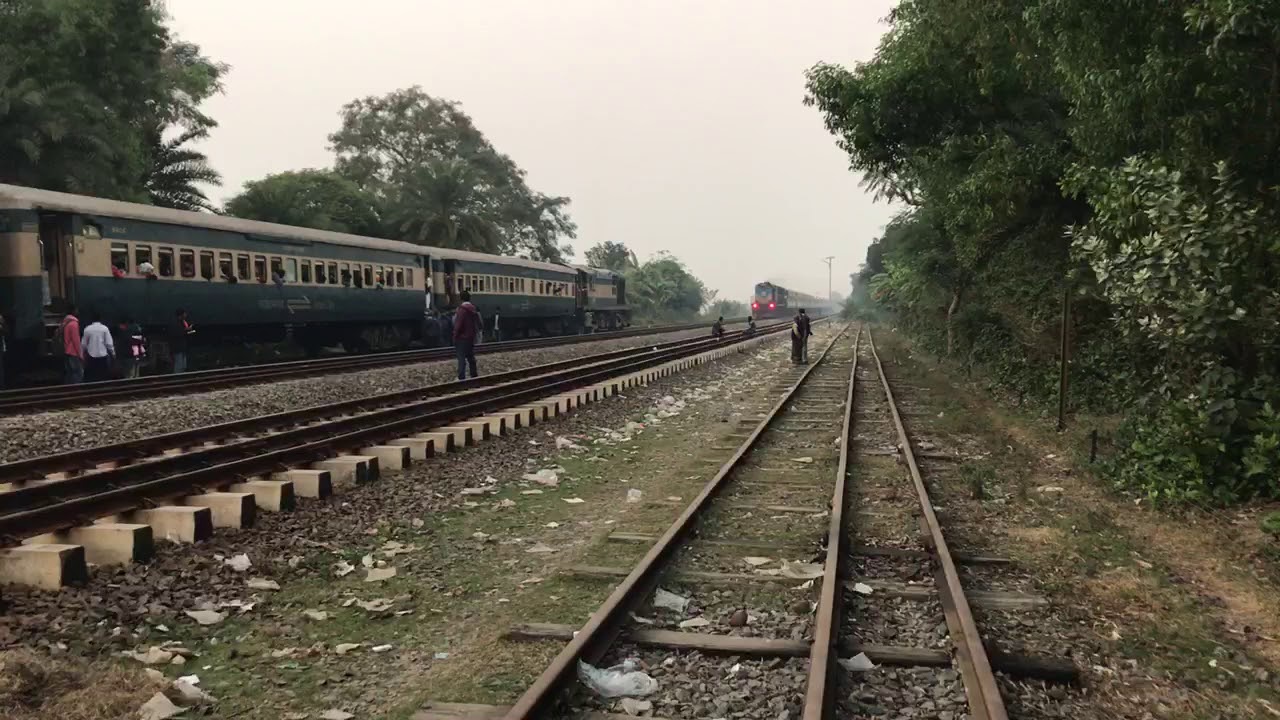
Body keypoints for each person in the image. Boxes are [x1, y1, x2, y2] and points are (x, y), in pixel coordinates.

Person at [452, 291, 481, 380]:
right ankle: (474, 375)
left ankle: (461, 377)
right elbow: (479, 324)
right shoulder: (473, 309)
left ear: (461, 298)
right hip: (471, 338)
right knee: (471, 357)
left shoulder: (462, 310)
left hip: (461, 338)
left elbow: (458, 324)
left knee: (461, 358)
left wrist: (455, 336)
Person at [81, 314, 115, 382]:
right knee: (103, 378)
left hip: (91, 357)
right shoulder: (105, 328)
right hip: (103, 357)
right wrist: (113, 353)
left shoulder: (87, 329)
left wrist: (82, 355)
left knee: (92, 378)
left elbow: (83, 344)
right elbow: (109, 344)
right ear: (100, 319)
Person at [60, 306, 83, 384]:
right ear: (73, 311)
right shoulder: (73, 324)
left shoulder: (65, 322)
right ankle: (76, 391)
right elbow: (76, 340)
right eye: (76, 310)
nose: (78, 311)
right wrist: (80, 354)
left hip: (66, 351)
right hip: (73, 352)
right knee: (78, 373)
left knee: (69, 373)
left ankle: (68, 390)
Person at [170, 309, 194, 373]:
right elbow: (177, 333)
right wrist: (187, 330)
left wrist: (189, 331)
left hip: (182, 346)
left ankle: (180, 377)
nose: (186, 315)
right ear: (181, 315)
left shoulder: (183, 322)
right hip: (177, 347)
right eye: (184, 313)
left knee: (183, 365)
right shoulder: (175, 323)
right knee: (179, 365)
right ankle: (177, 378)